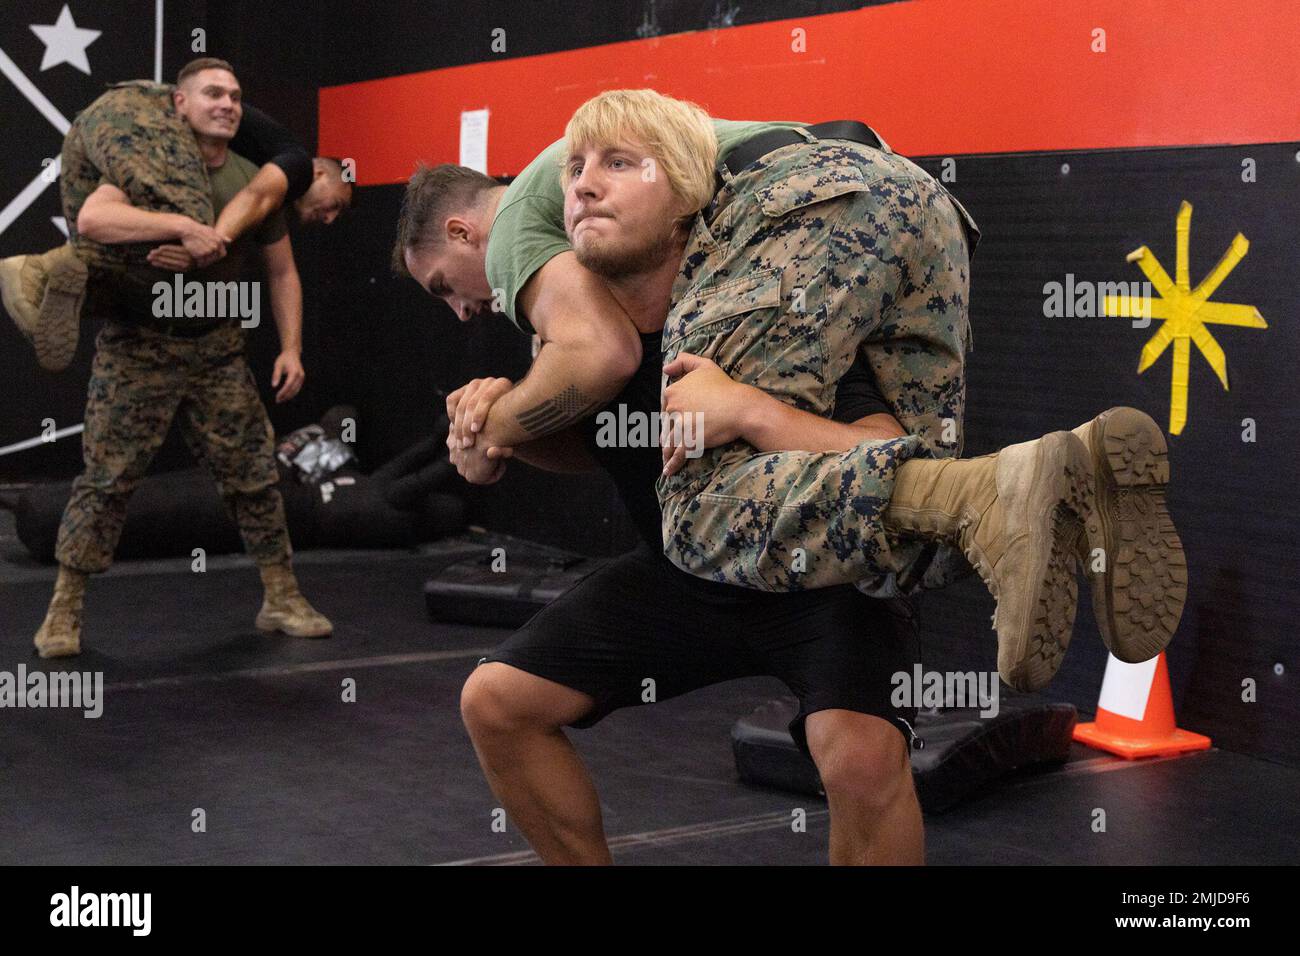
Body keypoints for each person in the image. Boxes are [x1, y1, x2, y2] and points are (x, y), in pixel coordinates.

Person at [30, 57, 333, 659]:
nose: (227, 104)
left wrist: (293, 348)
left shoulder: (253, 177)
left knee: (254, 476)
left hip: (217, 349)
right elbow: (94, 216)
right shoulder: (148, 166)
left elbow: (282, 272)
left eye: (236, 97)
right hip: (138, 347)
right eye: (212, 94)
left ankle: (281, 595)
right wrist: (169, 228)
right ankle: (63, 610)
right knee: (107, 480)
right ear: (179, 106)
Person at [0, 67, 352, 371]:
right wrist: (202, 243)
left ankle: (58, 276)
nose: (331, 218)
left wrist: (292, 349)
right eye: (335, 203)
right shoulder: (298, 166)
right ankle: (35, 269)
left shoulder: (248, 163)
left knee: (136, 263)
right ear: (319, 173)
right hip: (136, 113)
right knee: (187, 219)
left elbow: (283, 270)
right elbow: (254, 197)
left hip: (103, 125)